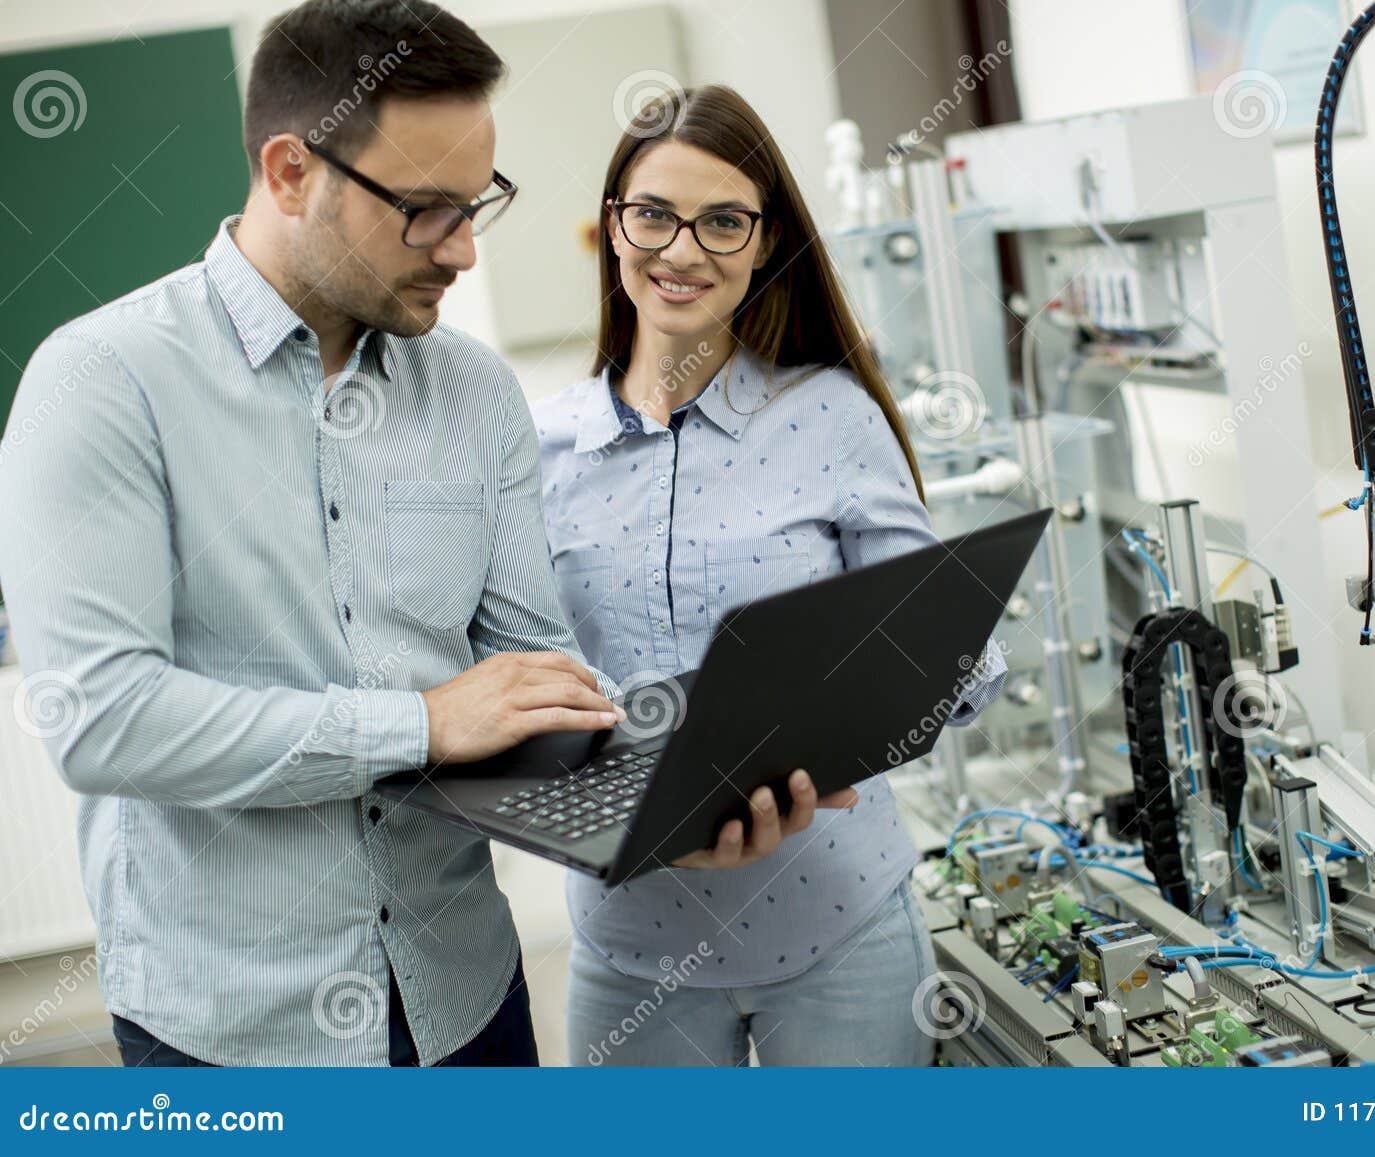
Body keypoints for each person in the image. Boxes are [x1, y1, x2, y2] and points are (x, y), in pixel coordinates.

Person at [0, 1, 814, 1067]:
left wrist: (665, 807)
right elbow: (104, 721)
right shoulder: (102, 382)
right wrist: (418, 723)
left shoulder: (473, 390)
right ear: (291, 172)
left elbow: (532, 672)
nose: (465, 250)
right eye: (426, 211)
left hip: (463, 997)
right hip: (232, 1032)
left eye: (476, 205)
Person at [534, 84, 1006, 1066]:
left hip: (839, 926)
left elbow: (937, 649)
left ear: (765, 240)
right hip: (628, 944)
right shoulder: (537, 448)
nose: (682, 250)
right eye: (653, 214)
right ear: (612, 226)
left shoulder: (831, 415)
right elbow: (516, 683)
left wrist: (942, 654)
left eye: (723, 222)